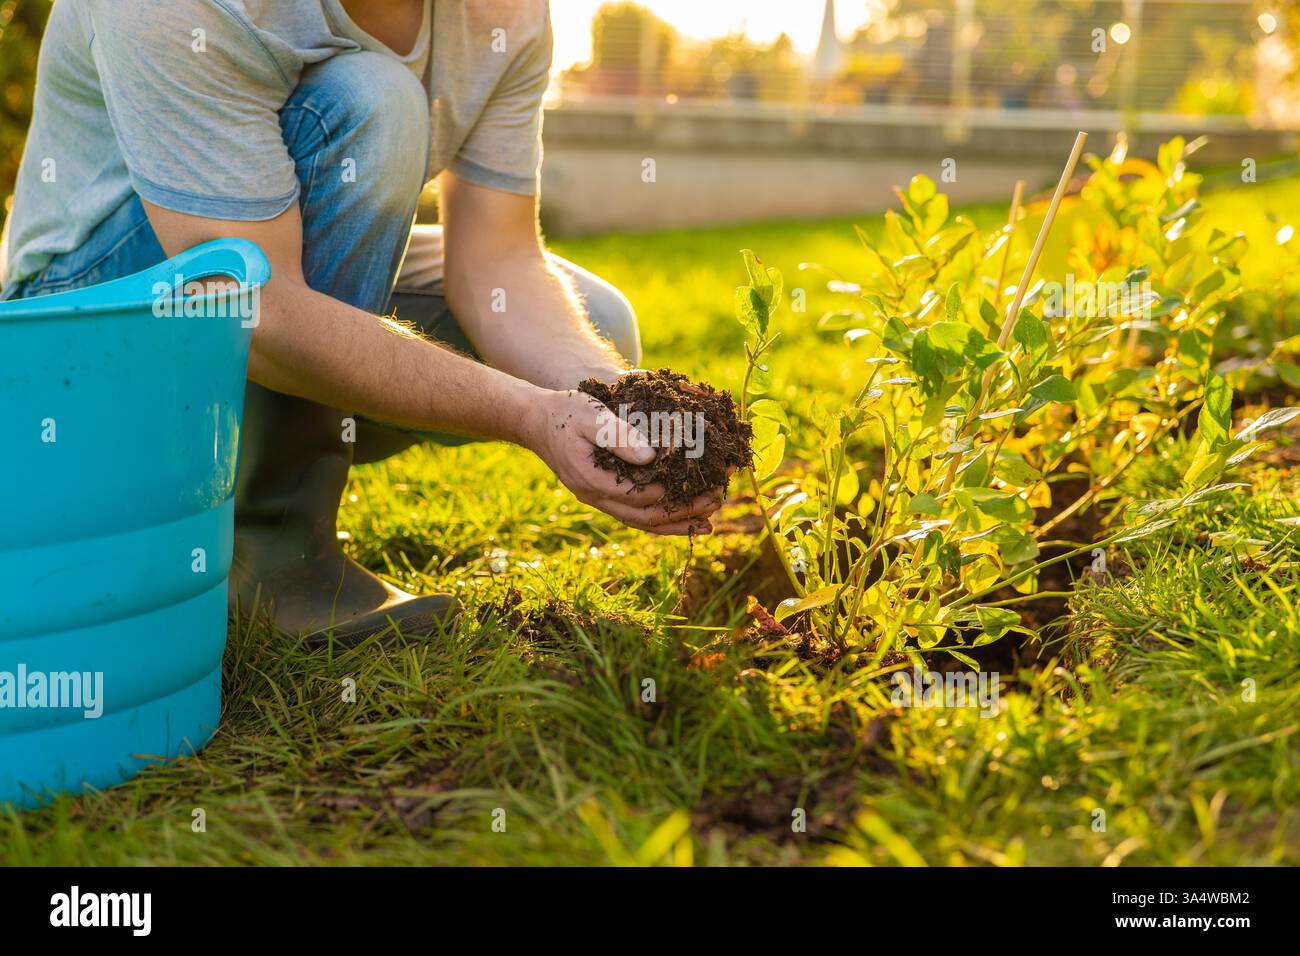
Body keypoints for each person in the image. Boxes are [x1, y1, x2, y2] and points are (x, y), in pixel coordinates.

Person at [1, 0, 725, 644]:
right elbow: (253, 305)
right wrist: (530, 415)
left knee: (598, 327)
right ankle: (271, 552)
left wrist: (610, 403)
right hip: (78, 333)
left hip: (256, 271)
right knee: (376, 100)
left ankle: (251, 482)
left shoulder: (505, 13)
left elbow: (499, 263)